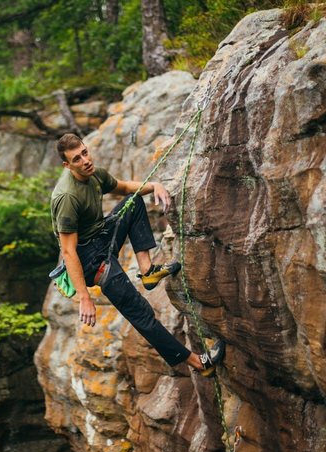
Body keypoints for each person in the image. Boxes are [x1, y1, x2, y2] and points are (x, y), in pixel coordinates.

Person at [50, 133, 224, 376]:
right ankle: (199, 363)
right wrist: (84, 298)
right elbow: (68, 251)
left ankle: (148, 271)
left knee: (133, 201)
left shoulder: (94, 175)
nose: (85, 160)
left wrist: (154, 186)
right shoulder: (67, 197)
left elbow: (122, 187)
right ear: (67, 166)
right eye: (77, 159)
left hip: (102, 237)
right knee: (140, 312)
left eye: (85, 152)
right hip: (90, 260)